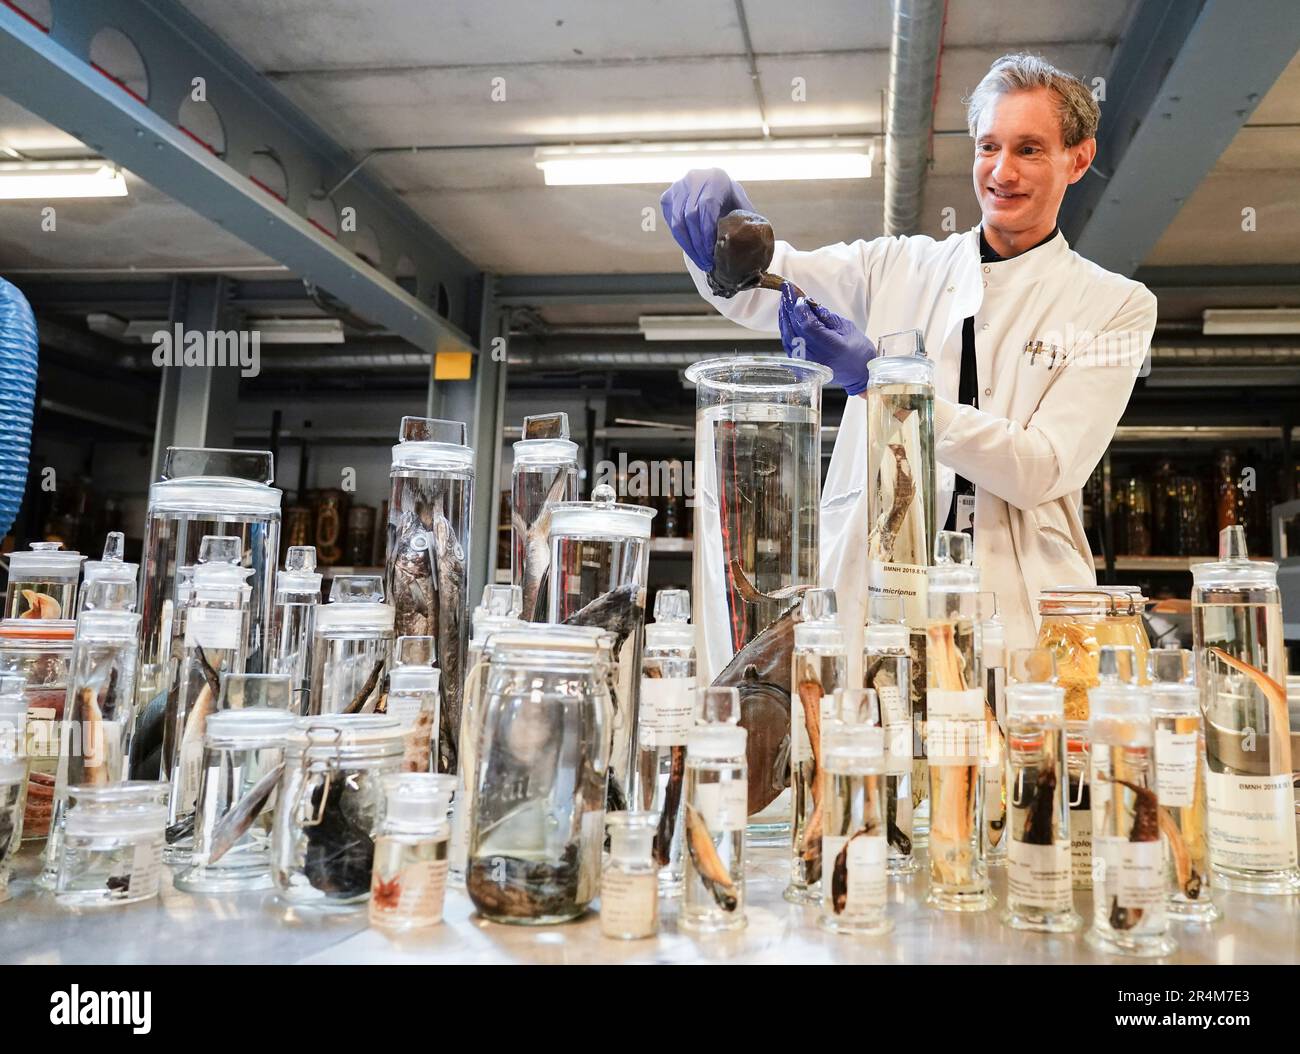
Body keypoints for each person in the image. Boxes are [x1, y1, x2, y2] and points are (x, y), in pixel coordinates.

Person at [662, 53, 1156, 659]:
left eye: (1029, 149)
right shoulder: (894, 267)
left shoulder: (1117, 305)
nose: (1002, 171)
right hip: (876, 604)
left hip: (1019, 611)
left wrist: (882, 387)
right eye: (988, 147)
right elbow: (764, 288)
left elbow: (1041, 469)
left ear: (1078, 158)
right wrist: (715, 228)